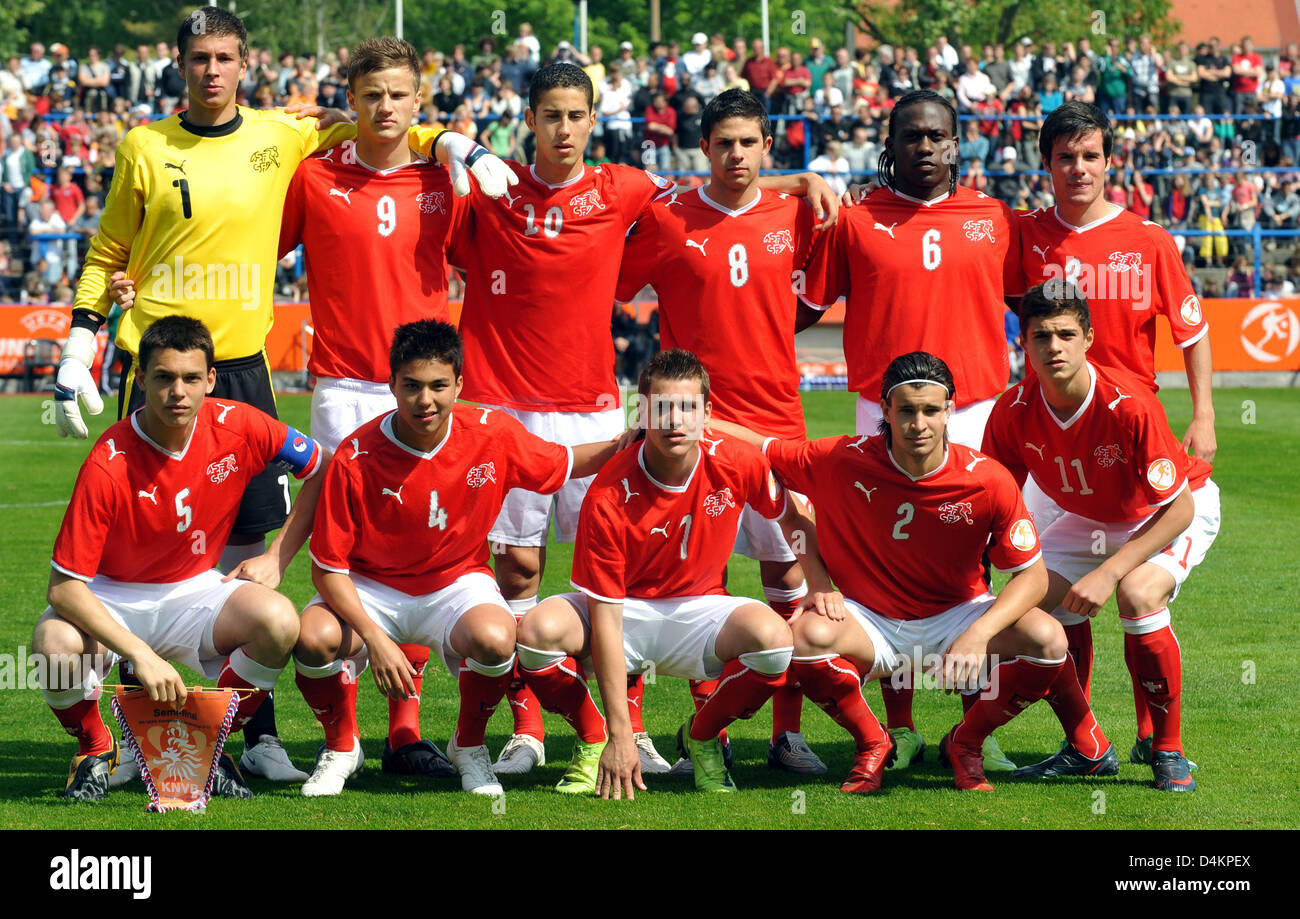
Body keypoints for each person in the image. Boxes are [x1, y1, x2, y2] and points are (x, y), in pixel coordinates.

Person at [70, 5, 511, 783]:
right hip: (286, 376)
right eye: (199, 57)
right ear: (180, 63)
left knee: (371, 550)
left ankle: (346, 734)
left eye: (225, 57)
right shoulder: (296, 167)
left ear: (245, 64)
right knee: (161, 553)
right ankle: (156, 737)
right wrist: (107, 309)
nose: (212, 69)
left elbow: (389, 136)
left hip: (341, 380)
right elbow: (197, 240)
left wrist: (451, 140)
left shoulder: (422, 172)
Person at [445, 63, 837, 775]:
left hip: (614, 403)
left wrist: (797, 181)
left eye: (576, 115)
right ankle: (531, 732)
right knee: (522, 568)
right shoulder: (498, 188)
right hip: (515, 404)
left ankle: (732, 733)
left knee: (719, 568)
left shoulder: (628, 187)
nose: (564, 128)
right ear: (529, 119)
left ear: (594, 120)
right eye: (551, 114)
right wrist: (446, 141)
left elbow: (723, 186)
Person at [292, 320, 630, 796]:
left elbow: (565, 462)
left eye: (438, 386)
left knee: (497, 638)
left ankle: (468, 747)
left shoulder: (492, 434)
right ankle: (343, 747)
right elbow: (328, 569)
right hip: (372, 586)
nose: (424, 400)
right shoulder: (356, 455)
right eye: (411, 386)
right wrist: (375, 639)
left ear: (459, 384)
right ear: (391, 384)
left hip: (456, 582)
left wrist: (630, 443)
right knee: (313, 638)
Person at [711, 351, 1066, 794]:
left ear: (949, 410)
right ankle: (872, 742)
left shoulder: (987, 479)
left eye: (931, 410)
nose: (919, 424)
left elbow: (1033, 577)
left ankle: (967, 742)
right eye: (907, 411)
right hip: (871, 620)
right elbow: (759, 445)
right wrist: (682, 423)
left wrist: (978, 634)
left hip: (958, 616)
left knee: (1048, 640)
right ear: (885, 409)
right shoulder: (839, 458)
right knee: (804, 637)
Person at [798, 89, 1024, 771]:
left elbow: (1038, 309)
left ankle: (975, 727)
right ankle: (899, 728)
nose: (924, 147)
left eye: (937, 136)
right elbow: (804, 309)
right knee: (887, 561)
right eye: (911, 136)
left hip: (974, 406)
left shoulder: (995, 218)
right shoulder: (855, 219)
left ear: (958, 143)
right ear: (890, 145)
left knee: (972, 563)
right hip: (884, 408)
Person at [275, 36, 471, 782]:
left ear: (418, 101)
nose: (385, 108)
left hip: (423, 389)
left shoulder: (445, 178)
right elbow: (258, 247)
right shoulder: (315, 175)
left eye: (397, 95)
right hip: (344, 386)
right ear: (350, 100)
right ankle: (345, 738)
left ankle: (406, 732)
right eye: (371, 96)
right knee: (347, 556)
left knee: (414, 550)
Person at [615, 89, 824, 774]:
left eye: (748, 142)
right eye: (723, 143)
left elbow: (816, 297)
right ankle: (678, 733)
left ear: (768, 146)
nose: (736, 154)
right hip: (687, 422)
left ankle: (786, 734)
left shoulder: (795, 213)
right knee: (680, 570)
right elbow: (612, 284)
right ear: (703, 147)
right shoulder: (668, 217)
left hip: (774, 420)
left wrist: (803, 182)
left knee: (787, 570)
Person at [33, 316, 326, 800]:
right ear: (141, 379)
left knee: (279, 621)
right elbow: (64, 589)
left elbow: (320, 468)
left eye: (191, 378)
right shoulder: (109, 460)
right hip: (113, 597)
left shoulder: (240, 423)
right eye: (164, 377)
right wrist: (140, 654)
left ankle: (208, 743)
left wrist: (277, 557)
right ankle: (97, 747)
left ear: (210, 379)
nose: (178, 392)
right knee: (54, 645)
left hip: (195, 589)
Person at [516, 350, 797, 796]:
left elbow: (793, 517)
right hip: (625, 613)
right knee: (536, 633)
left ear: (707, 413)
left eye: (686, 407)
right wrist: (620, 734)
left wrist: (821, 585)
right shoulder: (608, 491)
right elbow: (607, 618)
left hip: (699, 610)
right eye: (661, 408)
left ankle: (701, 736)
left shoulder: (736, 460)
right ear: (642, 413)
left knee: (776, 642)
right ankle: (594, 737)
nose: (674, 420)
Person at [982, 284, 1216, 791]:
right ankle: (1087, 746)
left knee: (1138, 592)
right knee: (1021, 608)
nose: (1054, 347)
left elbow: (1178, 508)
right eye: (1042, 336)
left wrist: (1108, 573)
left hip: (1171, 509)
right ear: (1023, 341)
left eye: (1067, 334)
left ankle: (1168, 750)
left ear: (1088, 338)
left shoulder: (1128, 405)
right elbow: (995, 499)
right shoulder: (1011, 410)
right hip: (1092, 519)